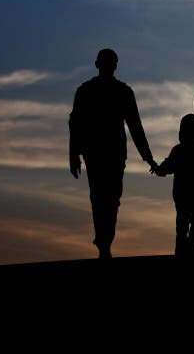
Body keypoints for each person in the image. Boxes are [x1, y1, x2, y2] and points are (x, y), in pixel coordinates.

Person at [68, 48, 157, 259]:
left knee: (109, 198)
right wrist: (73, 155)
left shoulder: (122, 92)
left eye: (112, 62)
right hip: (97, 152)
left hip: (113, 152)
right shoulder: (86, 91)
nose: (110, 65)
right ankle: (104, 243)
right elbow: (76, 125)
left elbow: (135, 127)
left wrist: (148, 157)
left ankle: (104, 242)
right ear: (98, 64)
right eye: (107, 61)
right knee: (101, 197)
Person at [154, 114, 194, 258]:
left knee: (182, 224)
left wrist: (159, 169)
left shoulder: (178, 150)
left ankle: (182, 250)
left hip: (182, 195)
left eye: (182, 130)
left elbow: (166, 167)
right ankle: (193, 249)